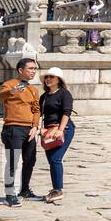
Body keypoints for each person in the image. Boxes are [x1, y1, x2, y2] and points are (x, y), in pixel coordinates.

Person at [0, 58, 42, 206]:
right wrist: (13, 90)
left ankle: (24, 190)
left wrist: (35, 126)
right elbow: (2, 95)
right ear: (20, 70)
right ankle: (10, 193)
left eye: (35, 68)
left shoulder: (34, 90)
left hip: (29, 130)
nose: (33, 71)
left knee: (30, 160)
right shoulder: (9, 84)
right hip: (13, 128)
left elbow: (37, 110)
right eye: (30, 68)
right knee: (13, 162)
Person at [38, 67, 75, 204]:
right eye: (47, 77)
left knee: (55, 159)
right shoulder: (45, 96)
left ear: (58, 80)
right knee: (51, 160)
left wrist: (60, 129)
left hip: (64, 129)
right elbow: (38, 113)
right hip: (48, 131)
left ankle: (58, 190)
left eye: (51, 77)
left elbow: (67, 112)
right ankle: (55, 189)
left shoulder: (64, 94)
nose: (48, 79)